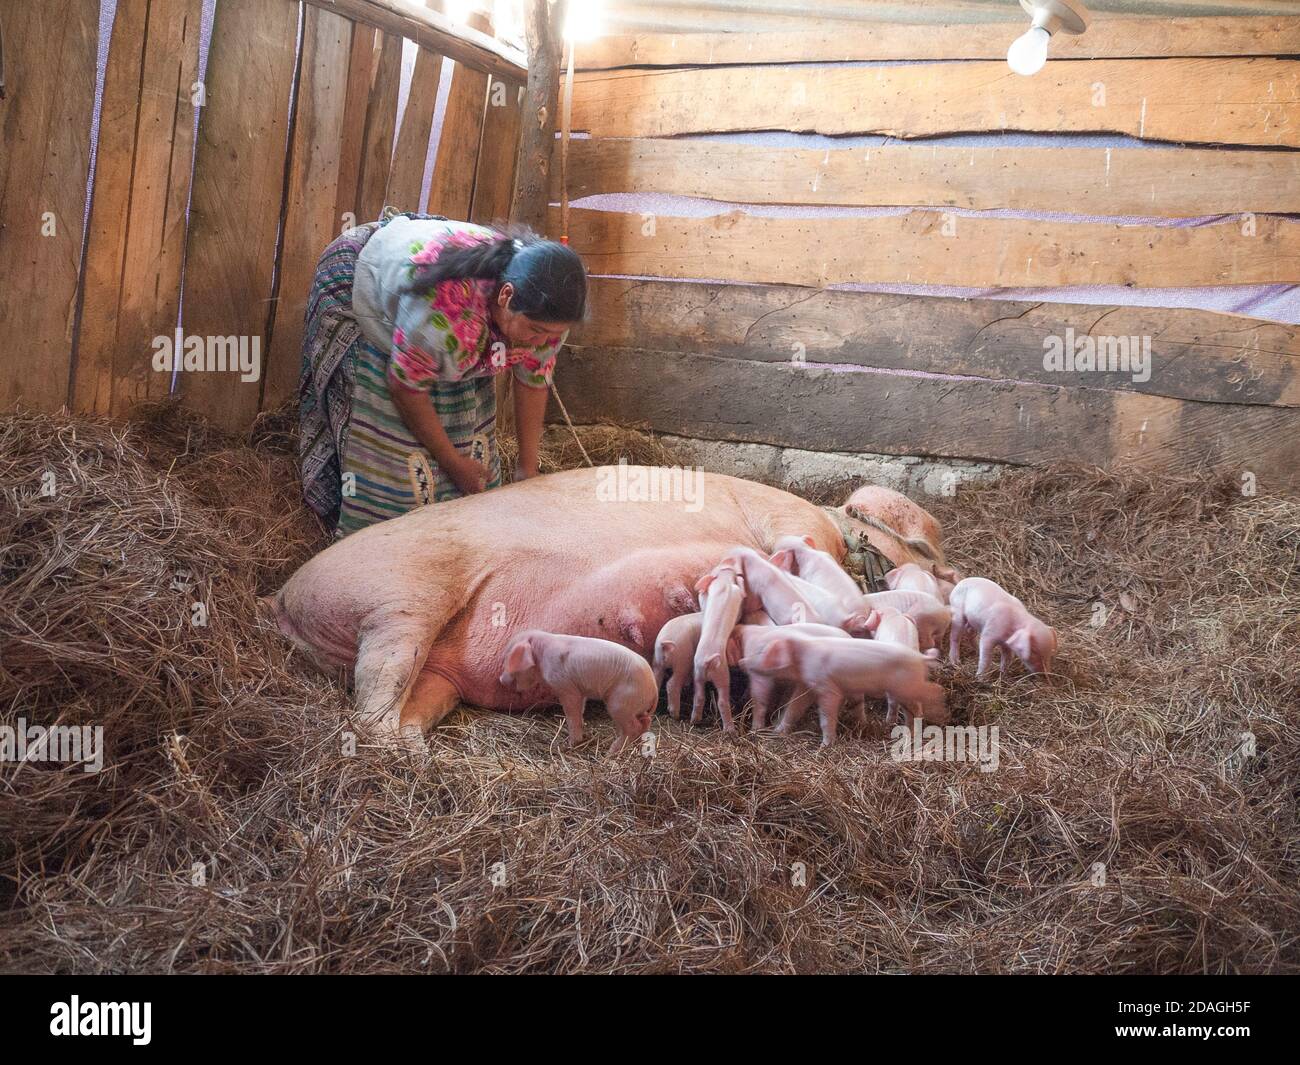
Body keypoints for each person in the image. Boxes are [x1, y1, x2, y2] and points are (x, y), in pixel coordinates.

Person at [298, 210, 587, 536]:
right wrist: (453, 463)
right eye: (536, 330)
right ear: (506, 296)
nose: (542, 342)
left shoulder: (548, 314)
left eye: (552, 334)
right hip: (365, 274)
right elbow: (405, 387)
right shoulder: (445, 312)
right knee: (394, 470)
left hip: (450, 325)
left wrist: (527, 470)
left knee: (470, 441)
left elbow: (533, 380)